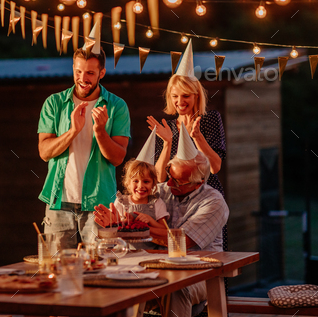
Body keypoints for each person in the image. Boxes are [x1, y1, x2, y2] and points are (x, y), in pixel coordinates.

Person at [95, 123, 229, 317]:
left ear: (199, 183)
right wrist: (115, 224)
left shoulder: (213, 202)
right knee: (113, 283)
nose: (167, 183)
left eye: (178, 181)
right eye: (170, 175)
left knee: (175, 288)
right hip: (155, 264)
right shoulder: (162, 191)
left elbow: (182, 242)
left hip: (201, 272)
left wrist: (130, 229)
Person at [37, 18, 131, 248]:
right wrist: (73, 131)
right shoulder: (54, 103)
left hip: (99, 203)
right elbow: (44, 152)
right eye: (78, 71)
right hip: (59, 202)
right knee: (58, 272)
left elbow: (118, 157)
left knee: (102, 269)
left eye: (90, 73)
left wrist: (99, 131)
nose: (82, 78)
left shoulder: (117, 106)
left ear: (102, 73)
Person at [146, 39, 226, 196]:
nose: (180, 102)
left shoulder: (210, 119)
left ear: (196, 96)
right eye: (175, 96)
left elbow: (215, 167)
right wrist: (167, 143)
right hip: (174, 200)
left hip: (206, 198)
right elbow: (160, 177)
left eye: (186, 96)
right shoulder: (167, 128)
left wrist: (197, 137)